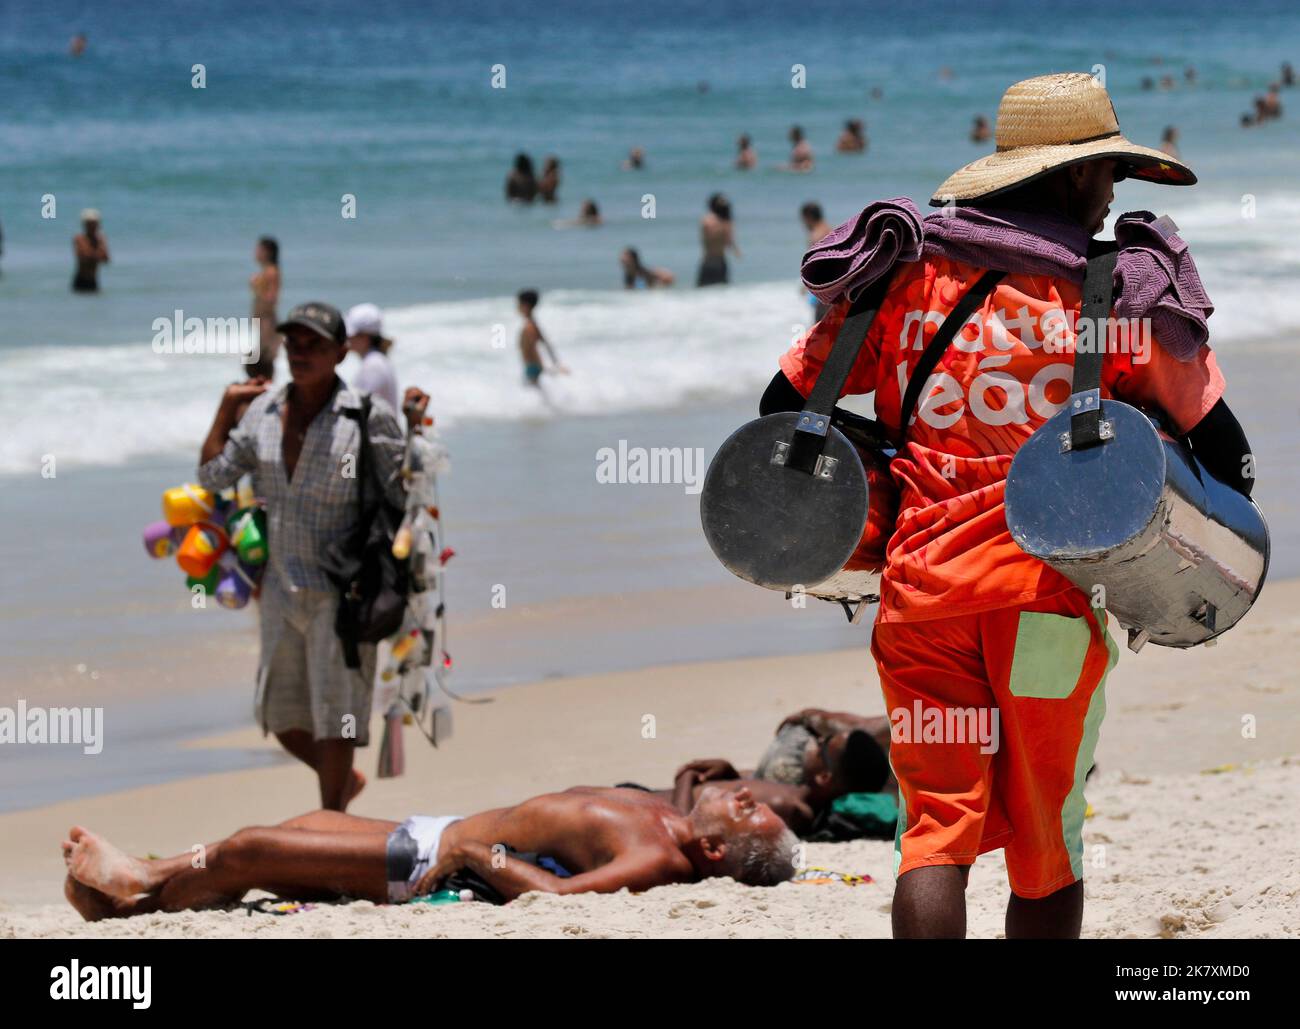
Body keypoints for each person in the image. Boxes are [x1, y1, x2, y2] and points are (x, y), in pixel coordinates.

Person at [766, 73, 1244, 938]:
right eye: (1104, 174)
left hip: (919, 601)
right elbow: (1222, 445)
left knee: (933, 835)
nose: (1110, 196)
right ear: (1068, 178)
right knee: (1046, 844)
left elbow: (782, 411)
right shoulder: (1112, 295)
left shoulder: (901, 278)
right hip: (1045, 606)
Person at [197, 301, 431, 812]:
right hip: (278, 587)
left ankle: (332, 824)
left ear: (341, 352)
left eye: (315, 345)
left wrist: (414, 430)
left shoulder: (368, 418)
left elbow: (406, 492)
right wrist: (225, 404)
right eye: (294, 343)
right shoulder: (262, 411)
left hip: (343, 590)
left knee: (336, 717)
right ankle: (343, 789)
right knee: (280, 718)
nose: (300, 353)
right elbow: (213, 476)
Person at [60, 785, 797, 919]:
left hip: (432, 857)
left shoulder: (659, 857)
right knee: (308, 822)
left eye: (749, 814)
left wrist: (483, 853)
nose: (747, 797)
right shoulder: (667, 815)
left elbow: (560, 899)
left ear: (711, 848)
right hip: (435, 830)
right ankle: (133, 897)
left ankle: (146, 881)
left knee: (255, 847)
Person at [629, 722, 891, 838]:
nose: (816, 741)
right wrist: (729, 773)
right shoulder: (794, 794)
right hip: (648, 801)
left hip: (647, 810)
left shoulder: (785, 807)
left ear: (824, 777)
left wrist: (685, 777)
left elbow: (688, 828)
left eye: (823, 747)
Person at [344, 303, 399, 412]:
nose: (347, 338)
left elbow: (360, 408)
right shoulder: (377, 361)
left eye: (351, 335)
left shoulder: (373, 366)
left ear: (365, 337)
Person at [248, 236, 281, 379]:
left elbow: (271, 298)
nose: (256, 252)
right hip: (264, 320)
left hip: (267, 320)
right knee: (263, 357)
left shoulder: (271, 271)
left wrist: (256, 286)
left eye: (259, 249)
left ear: (267, 252)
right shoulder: (266, 271)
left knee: (265, 358)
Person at [516, 289, 563, 386]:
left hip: (532, 368)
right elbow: (546, 344)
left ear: (526, 306)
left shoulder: (529, 327)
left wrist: (543, 367)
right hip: (534, 367)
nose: (517, 307)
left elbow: (533, 350)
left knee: (534, 394)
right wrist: (556, 363)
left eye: (519, 304)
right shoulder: (534, 324)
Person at [801, 203, 835, 318]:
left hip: (821, 286)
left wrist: (805, 285)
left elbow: (813, 264)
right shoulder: (830, 229)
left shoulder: (816, 236)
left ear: (808, 217)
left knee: (820, 325)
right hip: (834, 284)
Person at [697, 193, 739, 286]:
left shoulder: (706, 220)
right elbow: (729, 241)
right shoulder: (725, 222)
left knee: (703, 291)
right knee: (721, 291)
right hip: (718, 260)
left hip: (708, 260)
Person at [71, 209, 109, 293]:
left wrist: (93, 253)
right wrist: (97, 253)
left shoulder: (100, 239)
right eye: (90, 224)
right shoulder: (80, 238)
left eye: (94, 223)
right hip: (81, 280)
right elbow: (82, 256)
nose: (93, 226)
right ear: (85, 224)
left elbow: (106, 259)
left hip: (93, 280)